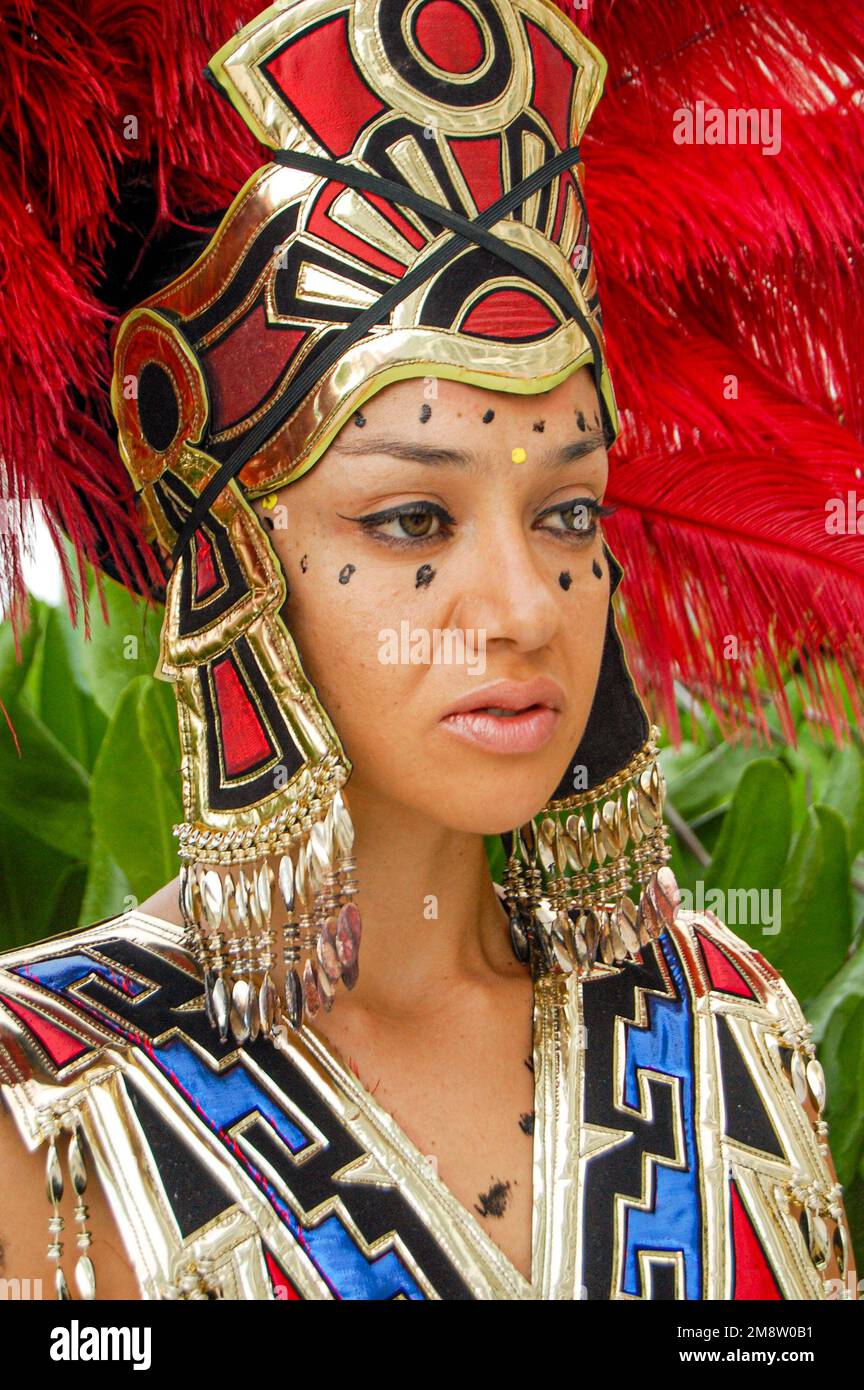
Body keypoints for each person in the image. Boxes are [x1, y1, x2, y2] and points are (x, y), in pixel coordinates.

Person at [0, 0, 857, 1301]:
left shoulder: (723, 1017)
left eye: (566, 509)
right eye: (412, 518)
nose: (522, 603)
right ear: (225, 534)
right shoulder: (48, 1105)